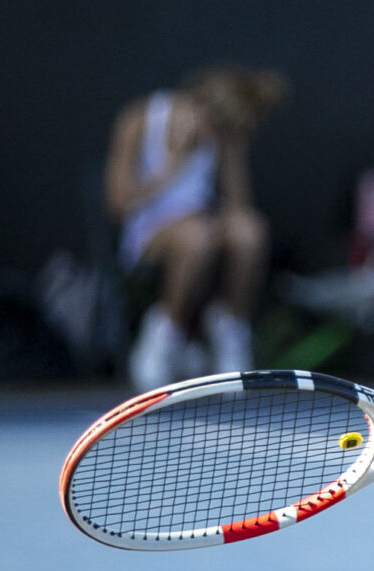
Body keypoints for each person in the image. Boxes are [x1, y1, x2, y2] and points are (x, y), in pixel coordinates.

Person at [103, 64, 286, 390]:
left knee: (249, 231)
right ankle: (162, 340)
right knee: (196, 237)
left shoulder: (221, 134)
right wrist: (174, 165)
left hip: (202, 226)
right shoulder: (140, 118)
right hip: (148, 232)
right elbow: (117, 204)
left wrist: (232, 149)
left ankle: (230, 332)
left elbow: (238, 205)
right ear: (198, 101)